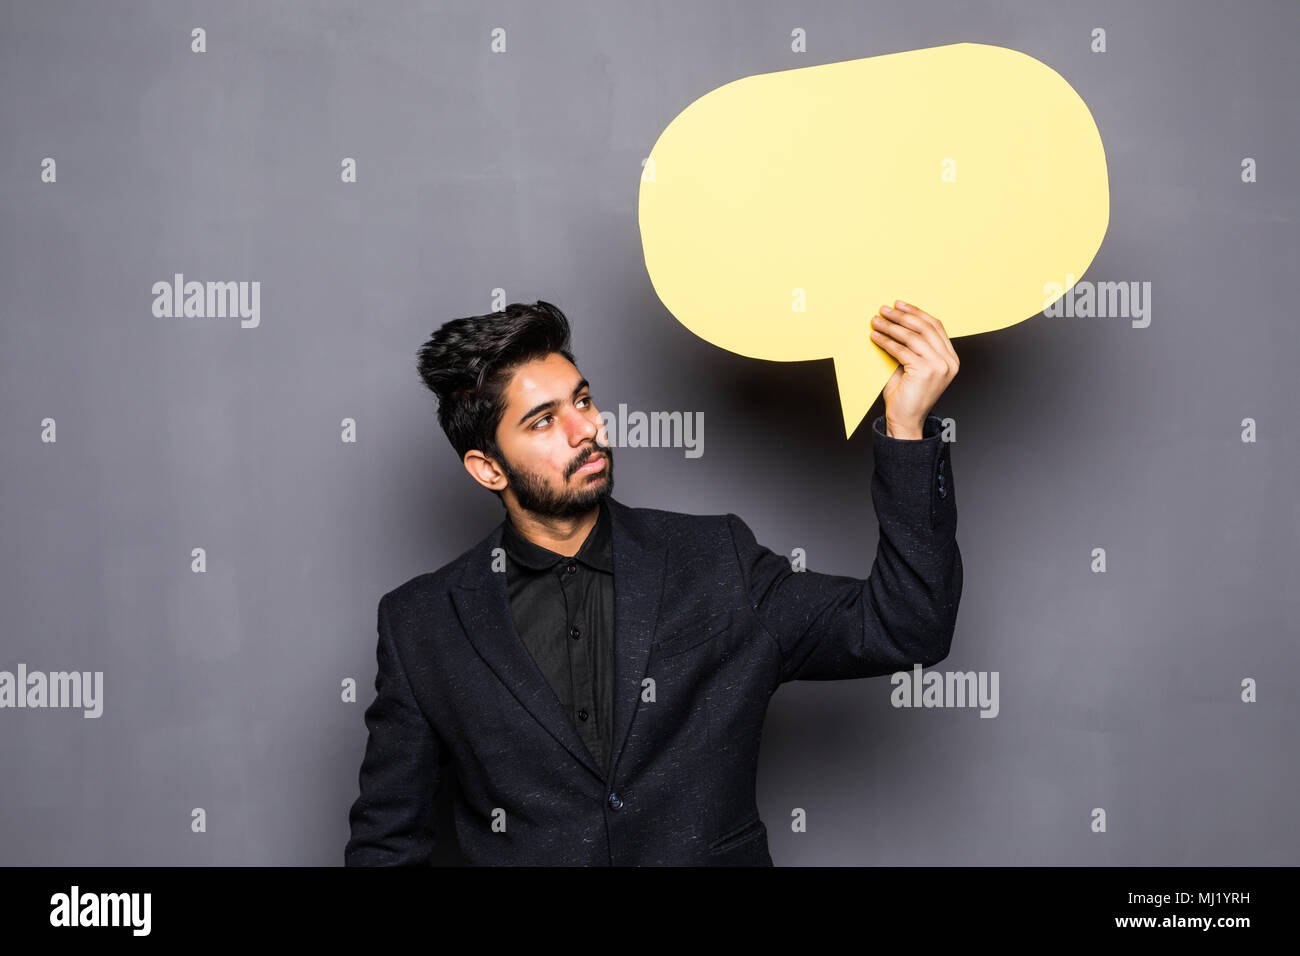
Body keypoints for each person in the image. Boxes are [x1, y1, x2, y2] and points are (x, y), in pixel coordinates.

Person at [345, 298, 962, 865]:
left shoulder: (716, 559)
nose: (583, 429)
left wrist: (906, 430)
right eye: (541, 421)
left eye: (582, 401)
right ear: (486, 469)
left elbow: (907, 627)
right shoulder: (422, 624)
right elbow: (386, 843)